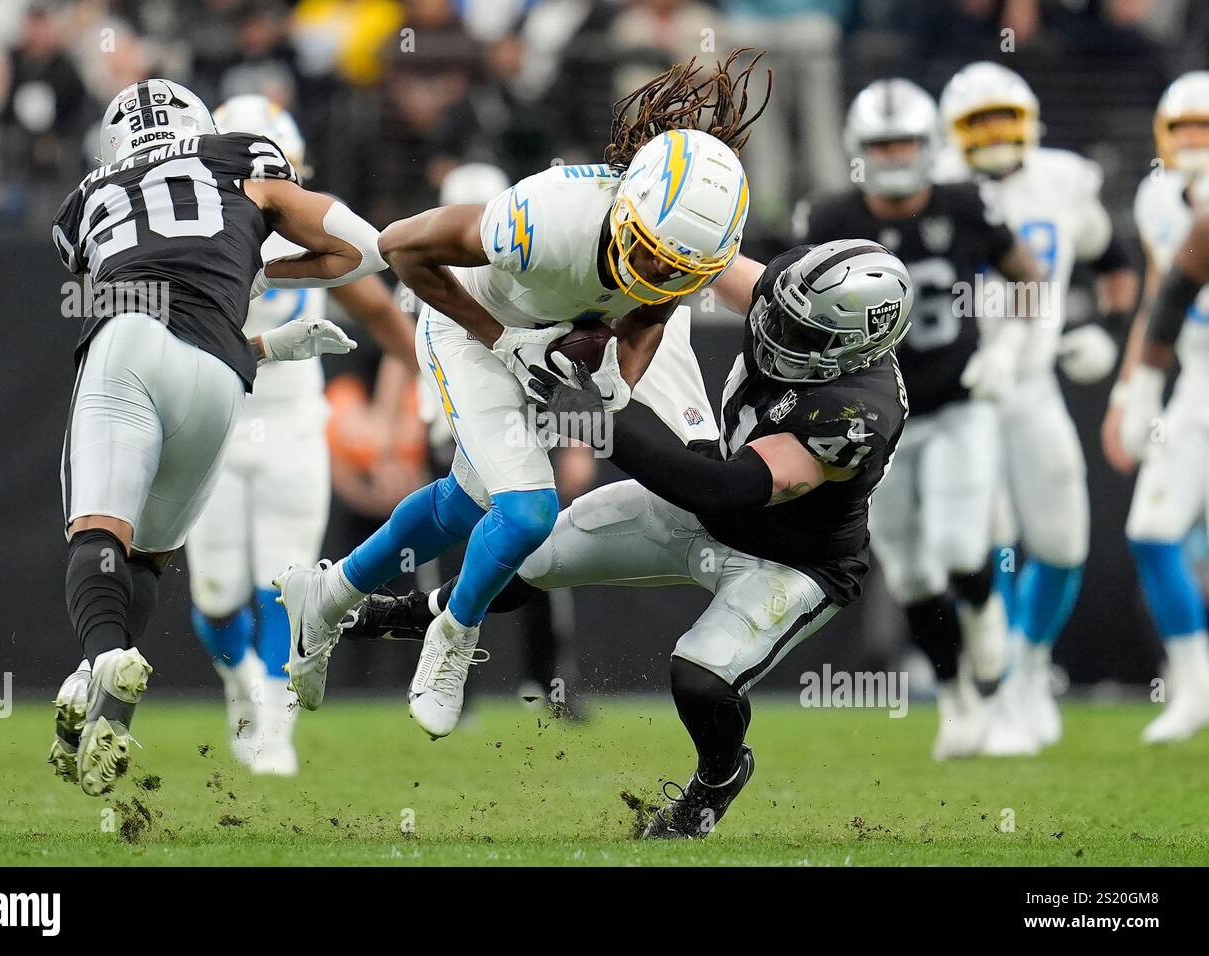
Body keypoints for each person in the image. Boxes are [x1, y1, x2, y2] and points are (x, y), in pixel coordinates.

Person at [348, 240, 912, 838]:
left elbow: (720, 489)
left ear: (851, 350)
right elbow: (706, 260)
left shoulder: (857, 415)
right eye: (777, 312)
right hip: (704, 510)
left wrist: (593, 423)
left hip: (787, 561)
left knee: (701, 677)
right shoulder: (789, 298)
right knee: (529, 555)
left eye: (799, 331)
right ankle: (417, 613)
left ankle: (718, 778)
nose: (772, 329)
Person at [275, 53, 766, 739]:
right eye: (654, 252)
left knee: (468, 501)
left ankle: (325, 597)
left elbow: (656, 307)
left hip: (564, 326)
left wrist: (616, 377)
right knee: (530, 513)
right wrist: (503, 339)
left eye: (680, 266)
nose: (659, 270)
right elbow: (404, 249)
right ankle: (450, 638)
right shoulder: (541, 221)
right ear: (629, 210)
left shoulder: (680, 254)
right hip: (475, 325)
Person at [47, 79, 384, 796]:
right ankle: (111, 671)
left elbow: (123, 264)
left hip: (136, 346)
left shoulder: (82, 198)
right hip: (219, 375)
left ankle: (98, 662)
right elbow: (366, 249)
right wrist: (260, 275)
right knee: (178, 569)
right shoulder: (244, 162)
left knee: (102, 533)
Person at [801, 78, 1043, 760]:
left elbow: (1027, 276)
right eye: (882, 144)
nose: (896, 153)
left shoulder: (966, 204)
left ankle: (989, 618)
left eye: (905, 140)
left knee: (964, 546)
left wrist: (1012, 347)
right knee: (906, 570)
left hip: (958, 402)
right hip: (878, 422)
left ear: (930, 143)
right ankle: (956, 697)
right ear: (858, 150)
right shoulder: (830, 219)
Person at [183, 95, 418, 776]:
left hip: (291, 424)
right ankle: (243, 687)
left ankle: (274, 719)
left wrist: (417, 388)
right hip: (217, 423)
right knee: (217, 595)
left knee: (286, 586)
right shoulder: (190, 232)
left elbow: (379, 303)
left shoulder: (310, 226)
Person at [936, 61, 1139, 756]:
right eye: (977, 123)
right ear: (951, 134)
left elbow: (1114, 261)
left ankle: (1025, 669)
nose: (994, 136)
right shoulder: (934, 188)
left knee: (1062, 541)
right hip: (957, 396)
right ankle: (979, 688)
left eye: (1005, 120)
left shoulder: (1062, 181)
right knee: (977, 543)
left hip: (1032, 384)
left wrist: (1105, 334)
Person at [1107, 71, 1209, 743]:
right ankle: (1195, 688)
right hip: (1197, 378)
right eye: (1184, 130)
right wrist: (1132, 392)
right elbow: (1160, 297)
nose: (1195, 142)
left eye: (1206, 128)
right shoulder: (1155, 199)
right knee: (1151, 529)